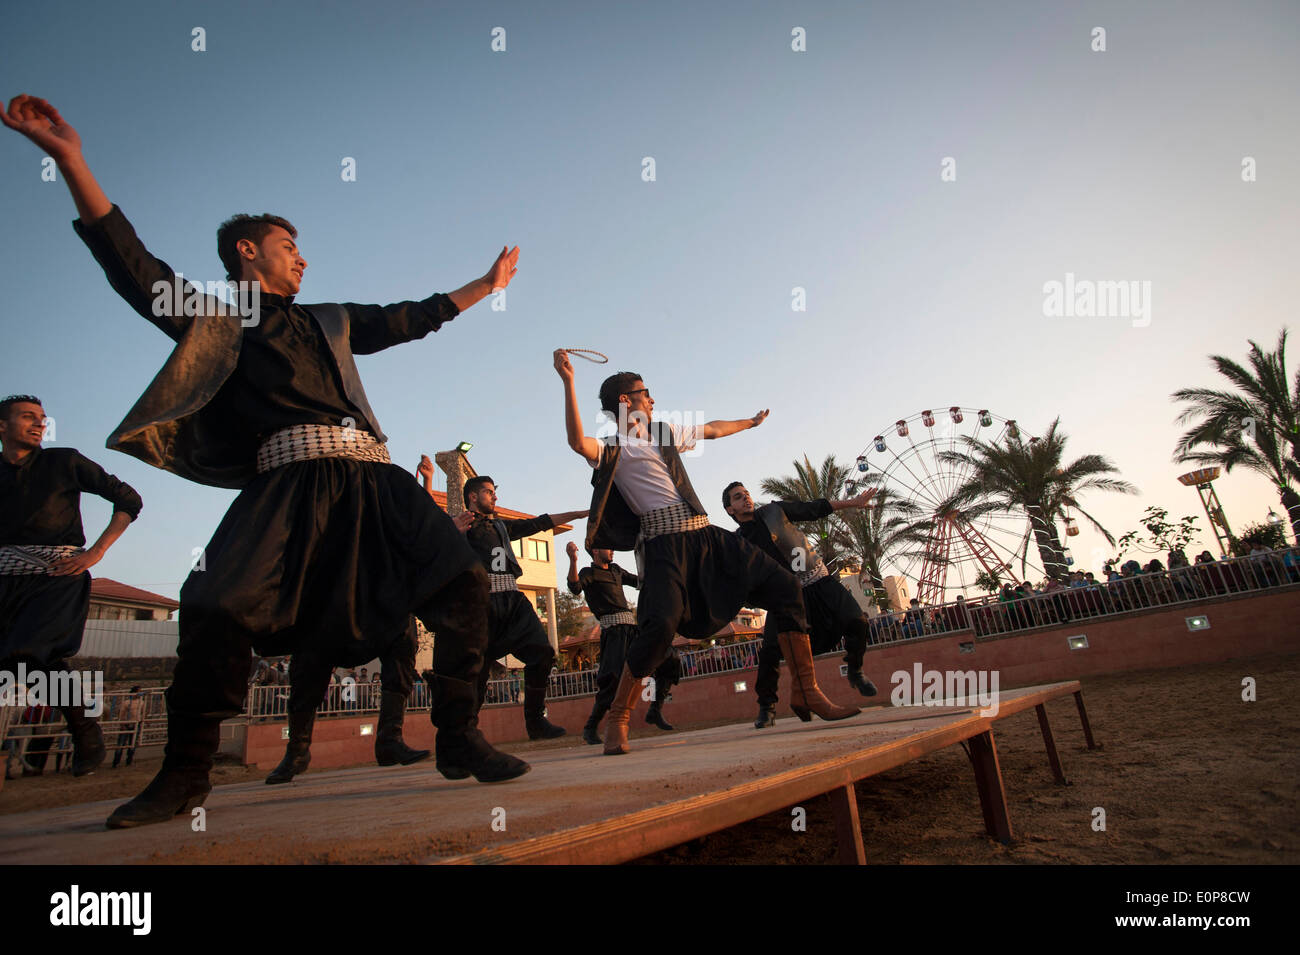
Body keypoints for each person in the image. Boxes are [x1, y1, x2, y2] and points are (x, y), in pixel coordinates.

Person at [3, 94, 530, 827]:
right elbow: (133, 268)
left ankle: (457, 734)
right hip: (286, 485)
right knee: (216, 604)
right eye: (290, 245)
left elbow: (413, 317)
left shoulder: (333, 319)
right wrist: (71, 160)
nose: (303, 256)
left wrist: (488, 286)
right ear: (248, 251)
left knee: (466, 579)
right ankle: (184, 774)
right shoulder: (217, 315)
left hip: (374, 481)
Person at [554, 351, 857, 755]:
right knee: (659, 627)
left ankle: (807, 692)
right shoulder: (612, 449)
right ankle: (618, 718)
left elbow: (711, 429)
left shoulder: (663, 433)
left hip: (705, 536)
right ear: (626, 401)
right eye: (646, 394)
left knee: (787, 585)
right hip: (664, 549)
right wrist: (568, 381)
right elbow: (577, 441)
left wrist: (749, 423)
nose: (653, 400)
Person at [1, 394, 142, 777]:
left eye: (42, 418)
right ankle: (85, 727)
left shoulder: (63, 461)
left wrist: (95, 551)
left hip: (57, 574)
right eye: (27, 417)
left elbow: (128, 499)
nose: (38, 423)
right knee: (20, 661)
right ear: (2, 426)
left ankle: (83, 728)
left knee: (28, 650)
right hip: (5, 579)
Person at [436, 469, 587, 740]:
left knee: (542, 653)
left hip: (513, 601)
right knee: (478, 669)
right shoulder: (458, 525)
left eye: (495, 492)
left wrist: (575, 513)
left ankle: (536, 721)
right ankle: (465, 732)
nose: (495, 496)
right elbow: (434, 544)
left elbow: (539, 523)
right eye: (489, 492)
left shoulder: (502, 526)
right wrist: (451, 532)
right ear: (473, 496)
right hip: (481, 604)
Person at [721, 481, 880, 728]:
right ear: (730, 509)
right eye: (738, 497)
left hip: (817, 579)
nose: (746, 499)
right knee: (769, 652)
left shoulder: (775, 511)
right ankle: (767, 706)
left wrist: (853, 502)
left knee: (857, 621)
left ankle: (855, 671)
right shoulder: (738, 542)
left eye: (747, 494)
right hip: (784, 598)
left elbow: (812, 508)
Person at [567, 540, 681, 744]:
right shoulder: (587, 572)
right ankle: (591, 727)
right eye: (607, 547)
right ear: (595, 550)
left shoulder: (617, 570)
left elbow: (640, 581)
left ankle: (655, 710)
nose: (612, 550)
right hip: (614, 634)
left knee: (669, 657)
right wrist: (573, 560)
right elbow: (575, 587)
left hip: (633, 630)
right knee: (613, 680)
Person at [112, 687, 145, 769]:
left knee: (132, 744)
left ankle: (129, 761)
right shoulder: (126, 702)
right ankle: (116, 762)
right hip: (126, 724)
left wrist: (142, 720)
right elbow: (121, 714)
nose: (139, 693)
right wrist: (122, 724)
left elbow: (143, 712)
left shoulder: (141, 702)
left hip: (136, 724)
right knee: (121, 744)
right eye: (138, 691)